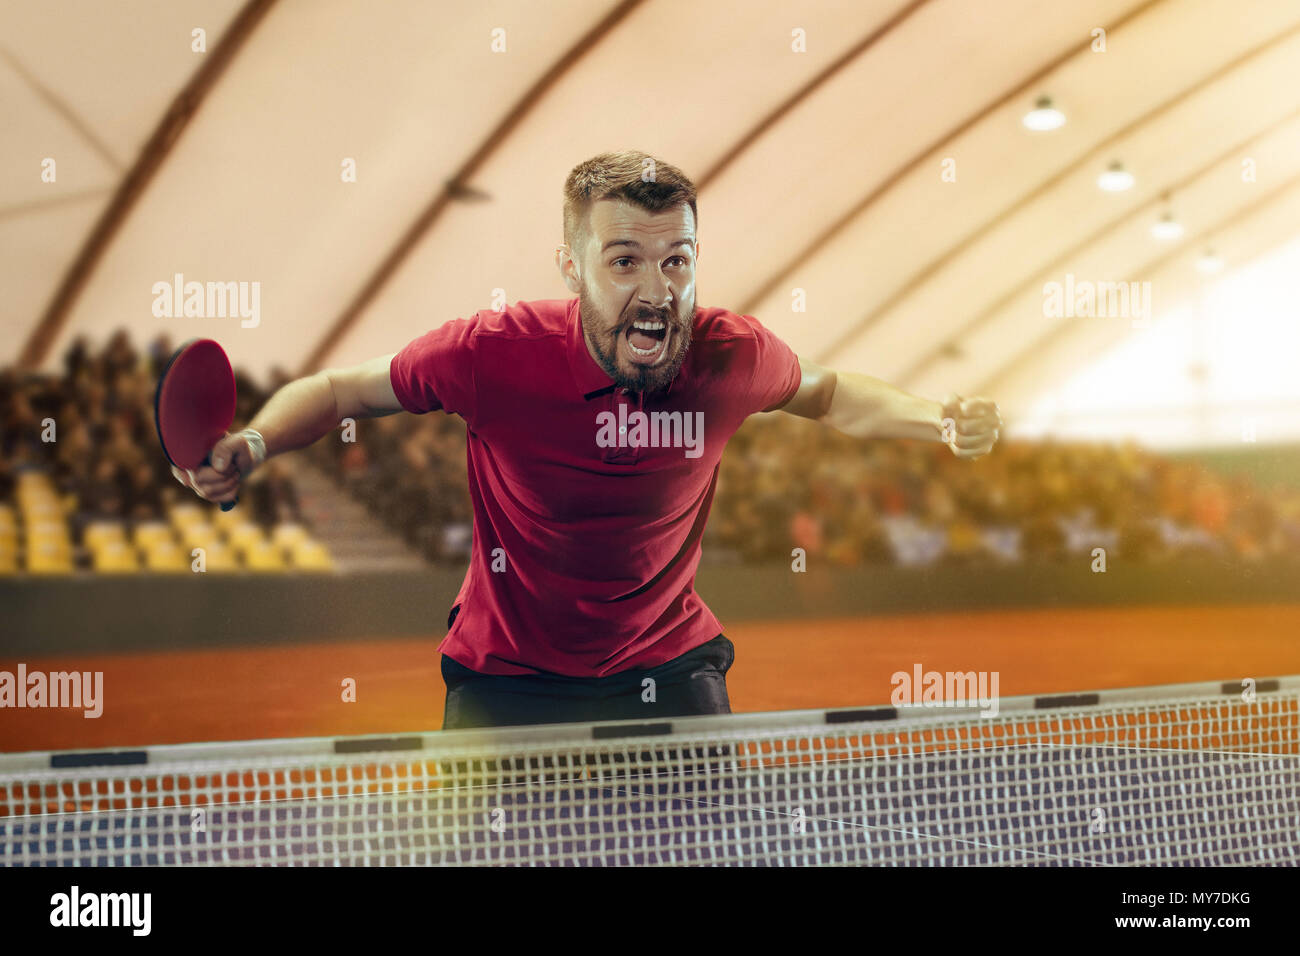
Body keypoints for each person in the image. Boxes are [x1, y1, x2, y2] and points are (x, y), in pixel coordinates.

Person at [173, 150, 1002, 729]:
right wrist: (251, 442)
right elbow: (343, 389)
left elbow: (827, 392)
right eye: (624, 262)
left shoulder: (729, 355)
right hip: (508, 677)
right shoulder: (491, 355)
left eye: (677, 262)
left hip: (668, 663)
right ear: (571, 269)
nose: (657, 290)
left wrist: (938, 419)